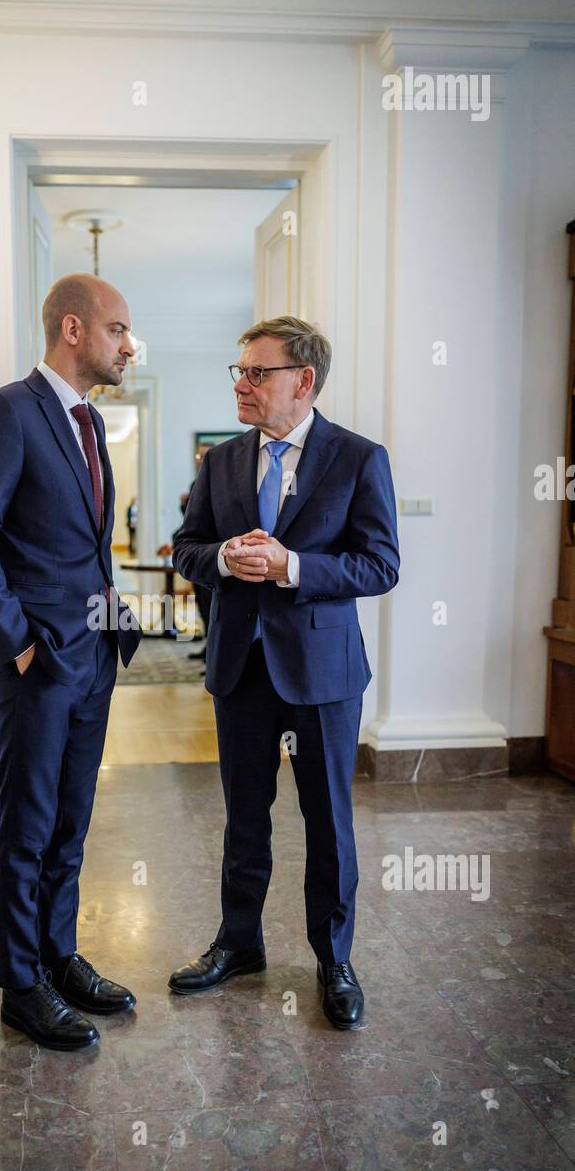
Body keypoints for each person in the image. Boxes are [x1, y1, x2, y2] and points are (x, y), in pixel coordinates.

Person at [169, 315, 399, 1029]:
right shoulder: (222, 462)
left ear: (303, 381)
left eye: (255, 373)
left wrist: (291, 566)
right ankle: (238, 944)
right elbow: (185, 548)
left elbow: (379, 565)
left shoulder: (359, 459)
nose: (241, 384)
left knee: (327, 819)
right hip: (240, 665)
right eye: (238, 372)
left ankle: (334, 958)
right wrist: (222, 557)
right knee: (243, 817)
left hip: (322, 672)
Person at [0, 273, 141, 1051]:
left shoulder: (90, 423)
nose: (128, 345)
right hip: (39, 664)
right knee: (27, 826)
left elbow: (86, 545)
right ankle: (20, 985)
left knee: (71, 822)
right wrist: (17, 645)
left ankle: (59, 956)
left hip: (94, 655)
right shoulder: (4, 412)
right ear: (72, 329)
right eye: (118, 329)